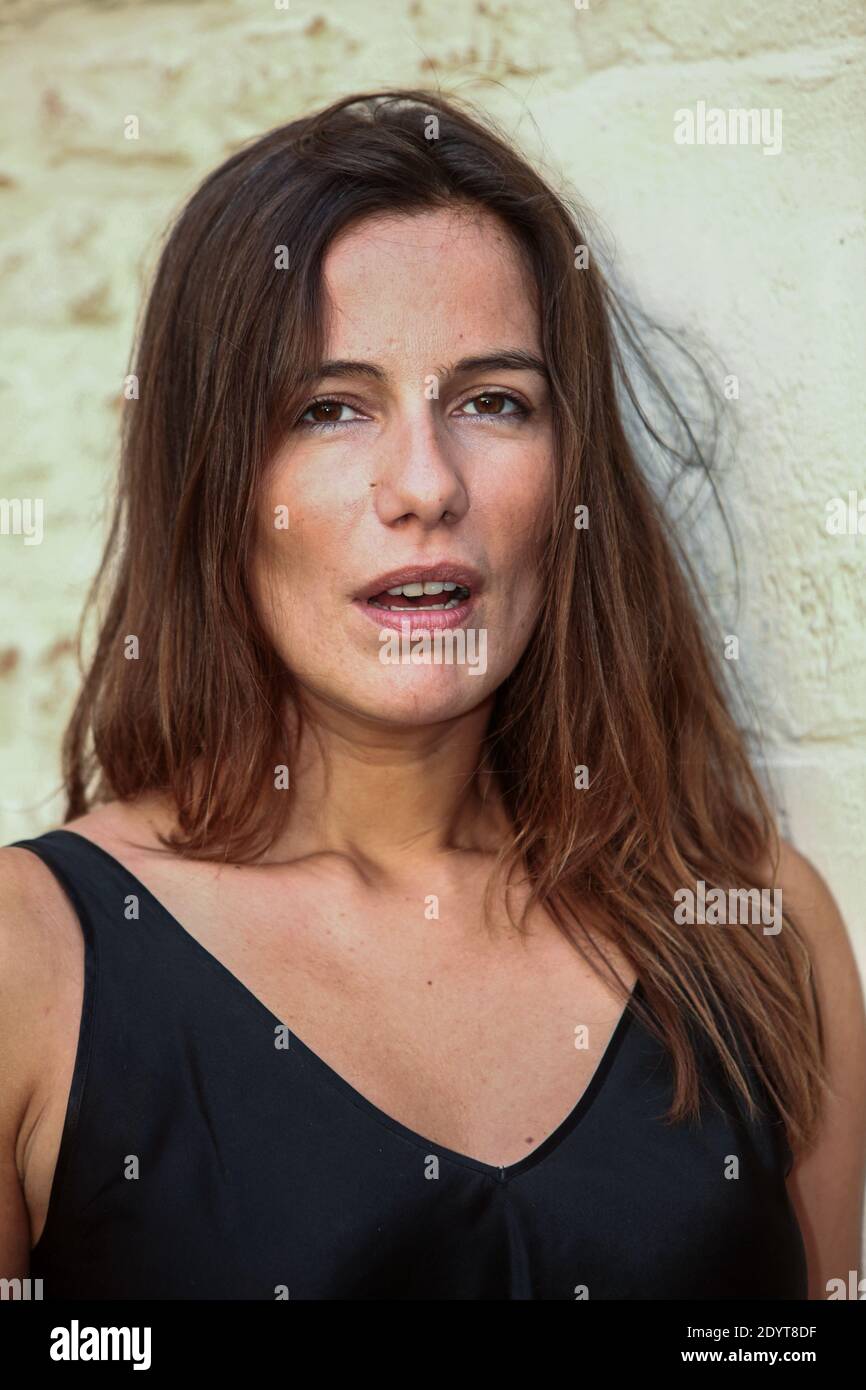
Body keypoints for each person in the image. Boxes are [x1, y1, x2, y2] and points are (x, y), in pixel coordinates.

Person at [1, 89, 863, 1301]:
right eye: (329, 408)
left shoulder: (757, 926)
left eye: (490, 400)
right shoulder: (30, 962)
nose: (424, 484)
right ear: (214, 482)